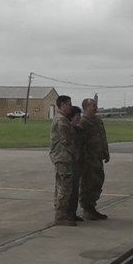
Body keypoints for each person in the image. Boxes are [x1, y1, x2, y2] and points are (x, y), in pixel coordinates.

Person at [78, 97, 110, 220]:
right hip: (88, 159)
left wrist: (105, 152)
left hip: (97, 157)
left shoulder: (97, 120)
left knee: (98, 181)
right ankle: (87, 208)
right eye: (93, 106)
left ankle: (92, 206)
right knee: (88, 183)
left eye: (96, 105)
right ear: (86, 107)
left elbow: (102, 137)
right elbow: (80, 142)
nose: (96, 108)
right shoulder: (83, 122)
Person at [49, 95, 78, 226]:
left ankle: (64, 213)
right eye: (69, 104)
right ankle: (60, 215)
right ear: (62, 104)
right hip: (64, 157)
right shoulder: (62, 120)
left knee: (63, 186)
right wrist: (76, 155)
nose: (70, 107)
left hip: (62, 157)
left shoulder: (62, 119)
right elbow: (67, 141)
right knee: (64, 187)